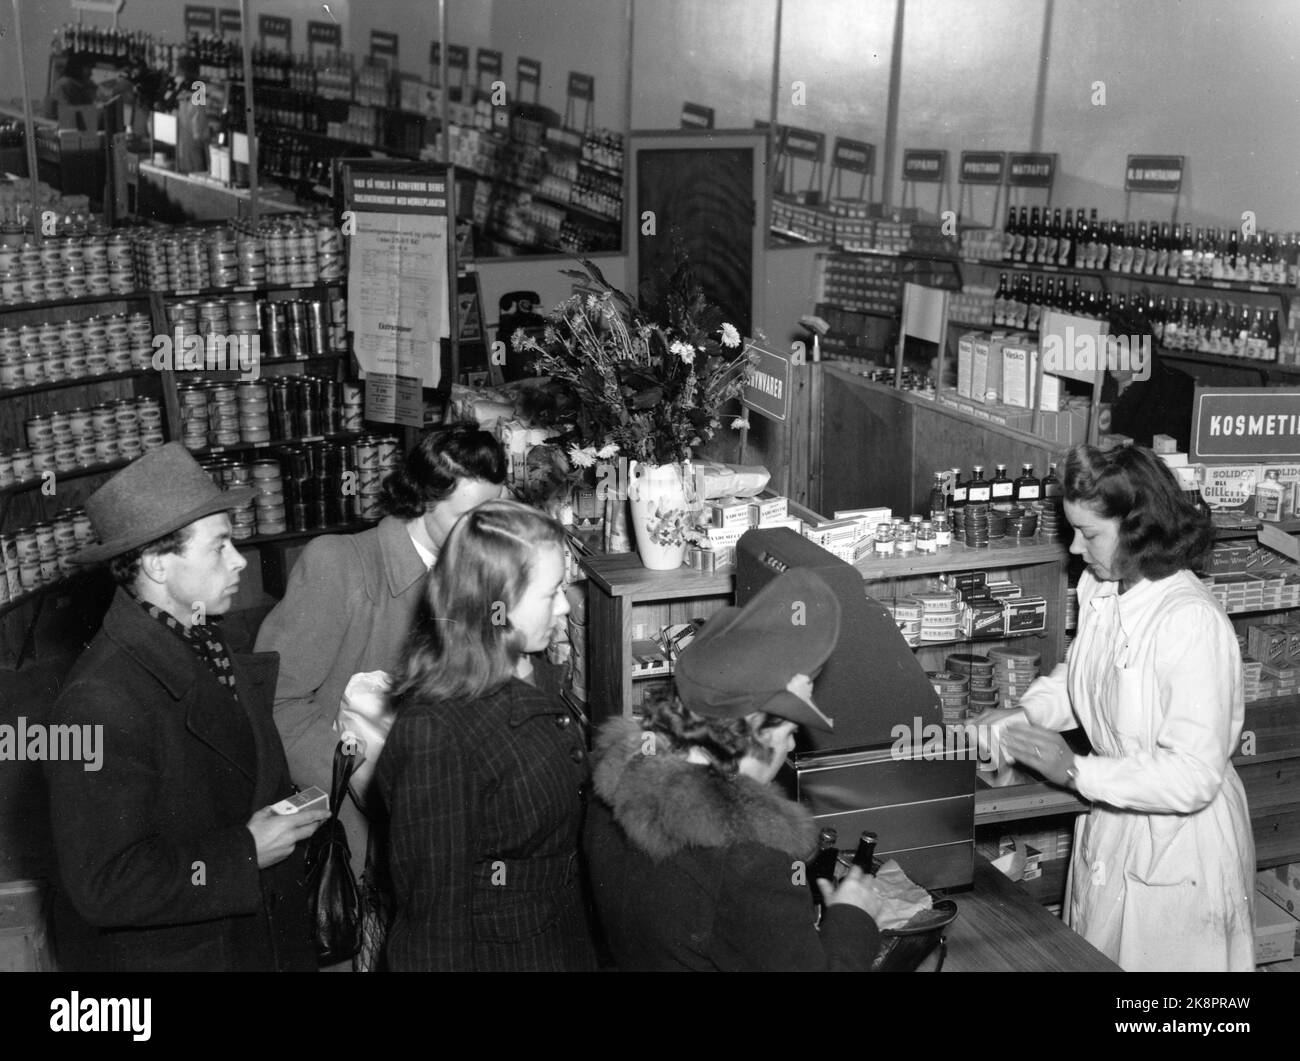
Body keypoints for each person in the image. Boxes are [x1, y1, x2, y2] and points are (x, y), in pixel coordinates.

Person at [44, 444, 327, 972]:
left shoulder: (203, 637)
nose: (240, 559)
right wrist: (244, 852)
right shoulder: (98, 702)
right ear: (155, 563)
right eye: (219, 546)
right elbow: (106, 884)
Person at [991, 442, 1255, 971]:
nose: (1074, 549)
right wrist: (1022, 718)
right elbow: (1084, 680)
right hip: (1113, 821)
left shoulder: (1189, 621)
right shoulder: (1101, 586)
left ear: (1137, 529)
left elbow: (1192, 776)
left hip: (1183, 845)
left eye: (1088, 534)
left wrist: (1074, 769)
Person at [583, 568, 886, 971]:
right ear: (755, 732)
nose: (793, 745)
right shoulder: (752, 868)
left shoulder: (609, 791)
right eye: (789, 732)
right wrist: (853, 918)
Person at [254, 422, 507, 884]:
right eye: (469, 516)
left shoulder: (475, 568)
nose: (484, 533)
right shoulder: (340, 565)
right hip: (355, 824)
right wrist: (366, 776)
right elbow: (275, 702)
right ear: (425, 499)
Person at [375, 500, 595, 971]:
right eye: (551, 591)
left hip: (561, 936)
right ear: (497, 605)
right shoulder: (436, 735)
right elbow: (431, 926)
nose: (563, 605)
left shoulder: (526, 666)